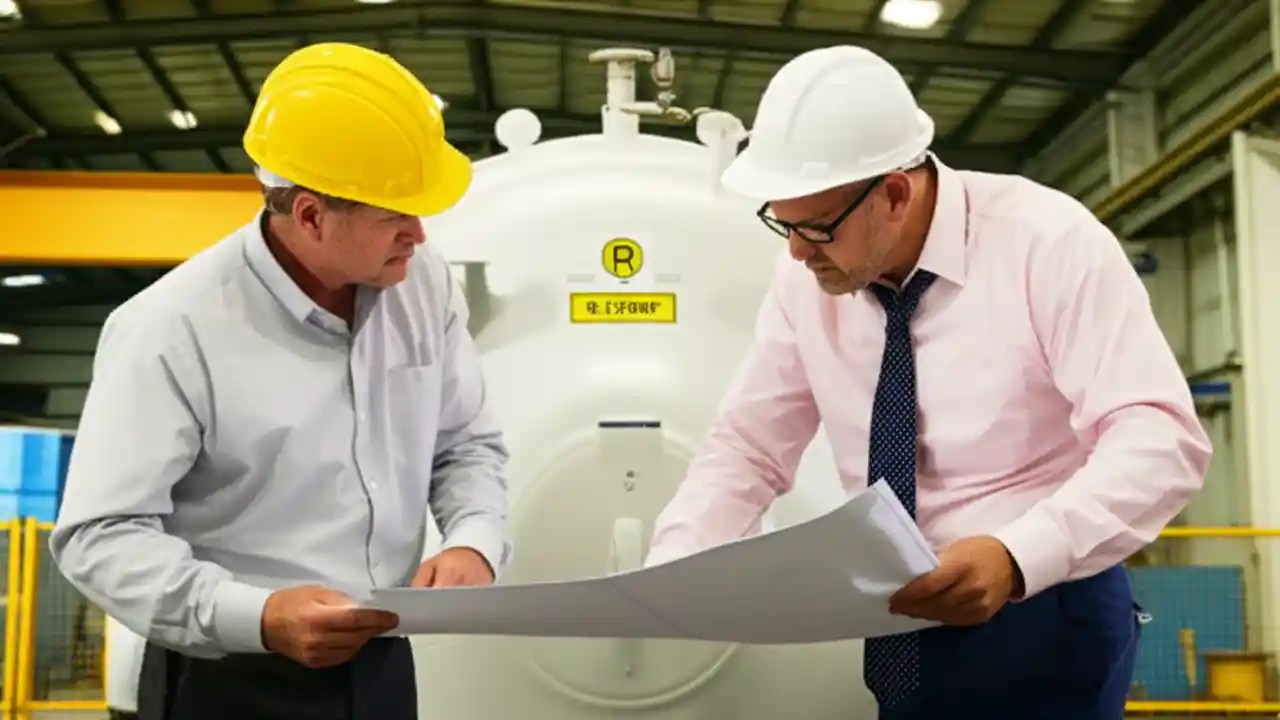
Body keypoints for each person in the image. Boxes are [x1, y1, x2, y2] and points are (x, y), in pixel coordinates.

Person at [644, 45, 1212, 720]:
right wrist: (676, 563)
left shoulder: (1046, 243)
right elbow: (749, 445)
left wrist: (1016, 553)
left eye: (816, 227)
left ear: (893, 193)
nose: (796, 250)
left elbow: (1159, 434)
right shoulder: (804, 278)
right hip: (896, 618)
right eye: (781, 222)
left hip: (1044, 608)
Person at [48, 42, 511, 720]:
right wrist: (257, 615)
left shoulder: (424, 287)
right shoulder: (171, 329)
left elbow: (465, 444)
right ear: (312, 216)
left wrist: (474, 538)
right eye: (395, 215)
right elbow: (98, 536)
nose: (418, 234)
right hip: (227, 677)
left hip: (381, 663)